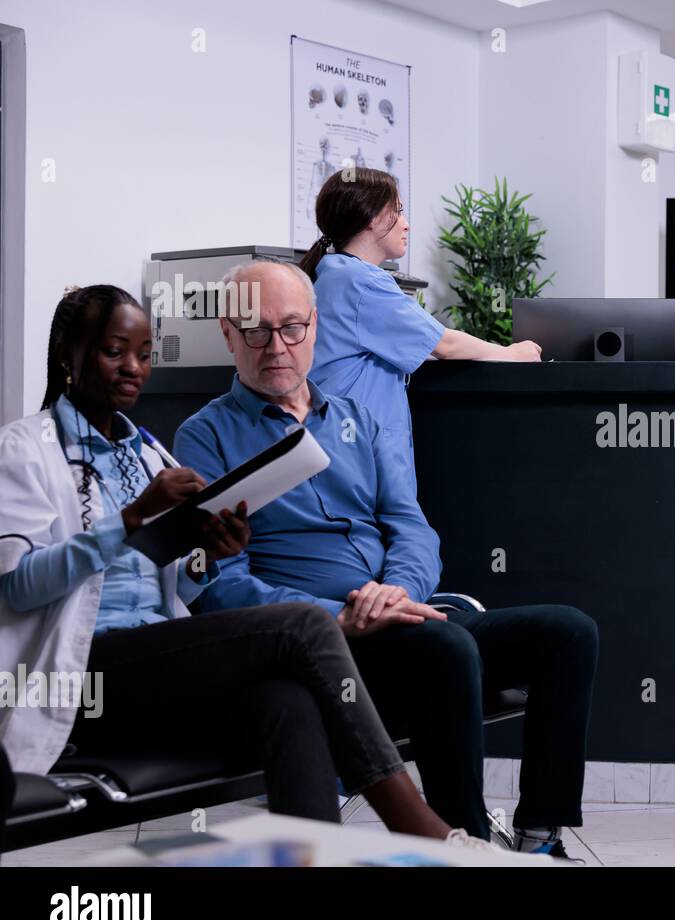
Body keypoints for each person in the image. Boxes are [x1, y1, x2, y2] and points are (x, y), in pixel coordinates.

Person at [0, 285, 462, 840]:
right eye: (113, 350)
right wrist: (128, 520)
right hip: (84, 673)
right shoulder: (23, 450)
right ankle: (421, 829)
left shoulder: (149, 455)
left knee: (286, 700)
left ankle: (316, 863)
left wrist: (211, 554)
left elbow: (177, 584)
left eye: (145, 355)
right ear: (67, 355)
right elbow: (18, 587)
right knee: (304, 624)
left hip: (158, 659)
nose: (133, 368)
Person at [174, 262, 598, 859]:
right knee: (446, 647)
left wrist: (395, 591)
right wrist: (334, 617)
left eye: (292, 327)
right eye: (256, 330)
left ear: (315, 326)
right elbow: (216, 584)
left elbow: (412, 528)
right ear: (227, 333)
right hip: (314, 641)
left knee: (568, 633)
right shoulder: (205, 437)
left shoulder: (358, 419)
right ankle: (460, 846)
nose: (277, 346)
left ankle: (539, 838)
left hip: (397, 613)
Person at [299, 168, 541, 465]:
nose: (406, 225)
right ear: (373, 218)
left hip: (340, 444)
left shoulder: (335, 273)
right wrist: (511, 354)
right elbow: (445, 345)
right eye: (398, 213)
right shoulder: (361, 281)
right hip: (354, 453)